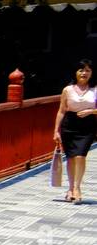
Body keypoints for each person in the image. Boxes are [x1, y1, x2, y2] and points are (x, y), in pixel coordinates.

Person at [53, 59, 97, 204]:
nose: (84, 73)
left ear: (91, 73)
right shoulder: (67, 89)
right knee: (71, 157)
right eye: (81, 70)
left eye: (87, 70)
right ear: (75, 72)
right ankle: (70, 189)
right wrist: (56, 131)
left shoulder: (95, 88)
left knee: (80, 156)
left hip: (88, 126)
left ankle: (77, 188)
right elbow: (61, 111)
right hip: (69, 125)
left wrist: (91, 111)